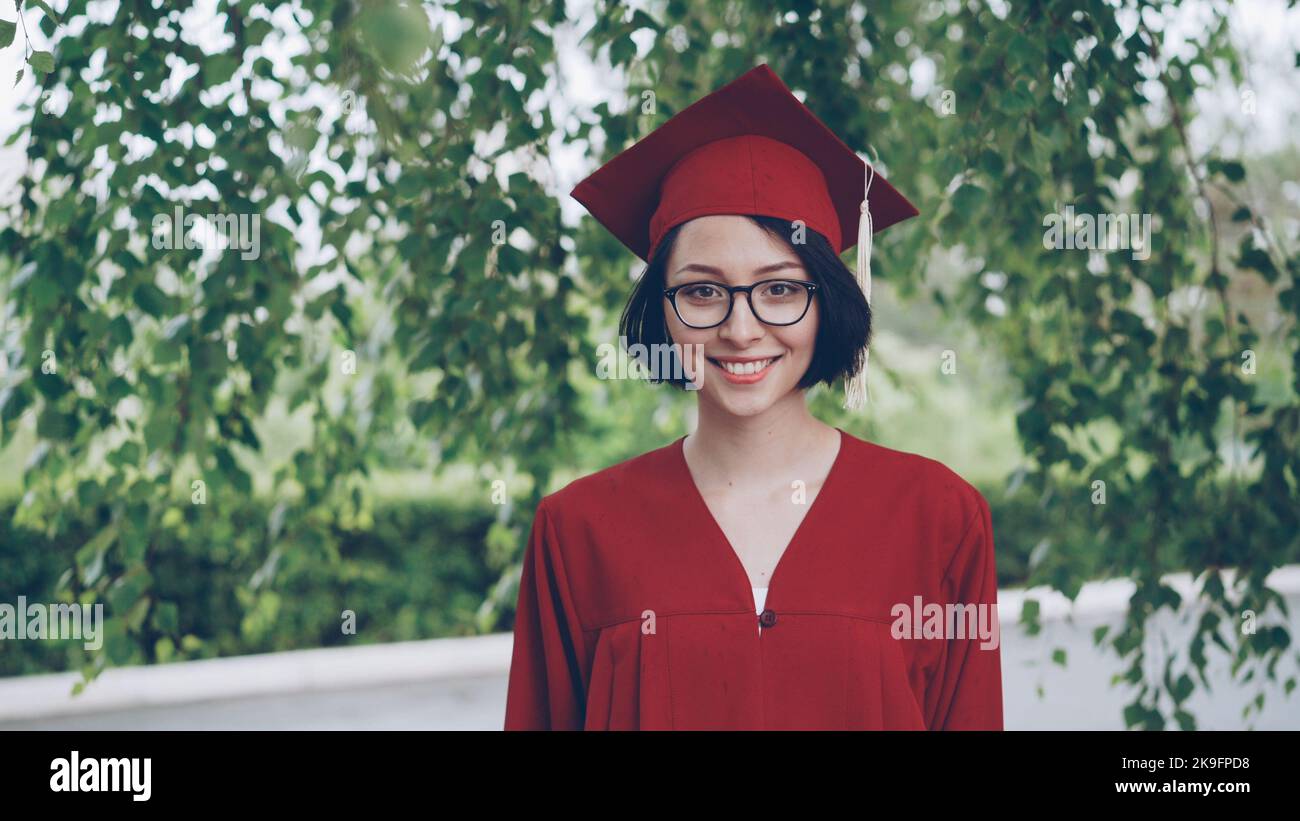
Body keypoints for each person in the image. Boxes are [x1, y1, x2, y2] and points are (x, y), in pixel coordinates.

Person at [504, 64, 1003, 730]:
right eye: (703, 291)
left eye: (779, 289)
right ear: (662, 309)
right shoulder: (578, 532)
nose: (741, 330)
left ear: (829, 302)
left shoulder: (939, 518)